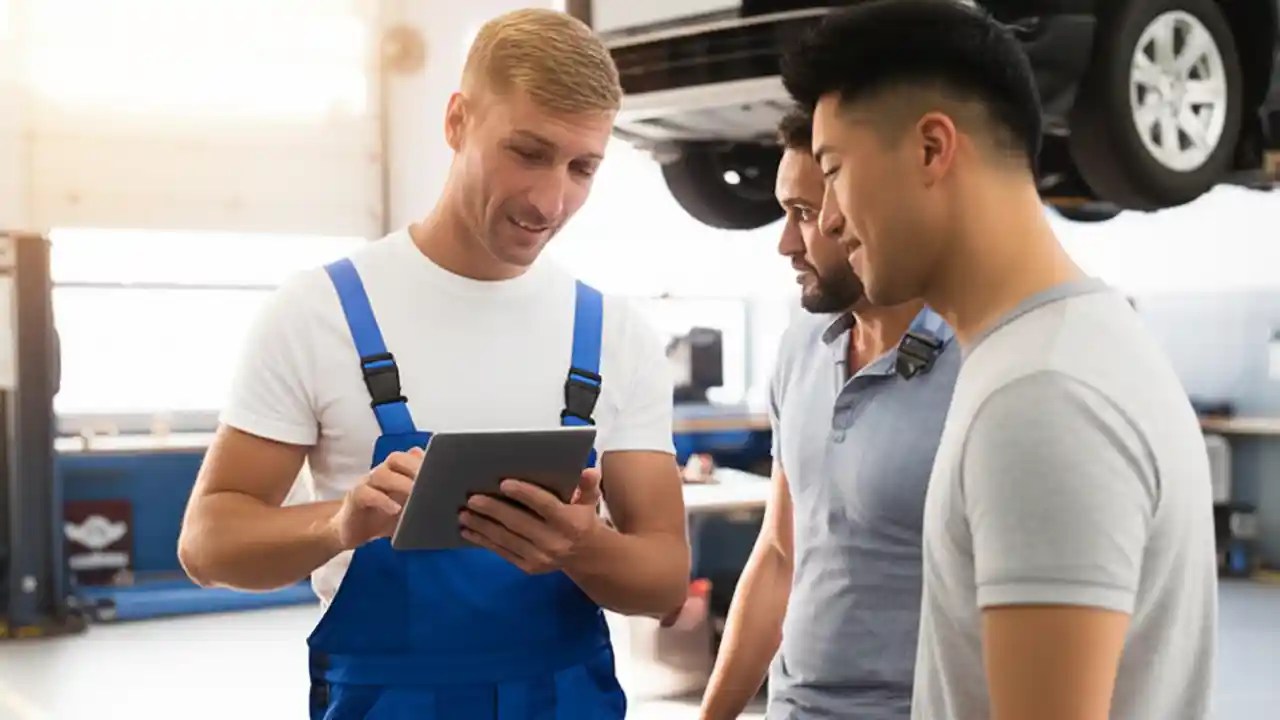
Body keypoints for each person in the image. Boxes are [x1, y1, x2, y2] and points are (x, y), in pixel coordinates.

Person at [177, 9, 689, 719]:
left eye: (582, 167)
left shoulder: (614, 335)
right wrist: (341, 523)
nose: (550, 201)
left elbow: (665, 582)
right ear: (457, 121)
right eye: (528, 152)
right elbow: (208, 543)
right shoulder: (318, 312)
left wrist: (584, 546)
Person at [782, 2, 1218, 719]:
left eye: (834, 170)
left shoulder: (1042, 397)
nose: (827, 218)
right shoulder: (1066, 345)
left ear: (931, 149)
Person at [697, 108, 960, 720]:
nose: (786, 242)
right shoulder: (801, 343)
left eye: (807, 215)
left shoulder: (980, 363)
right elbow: (782, 553)